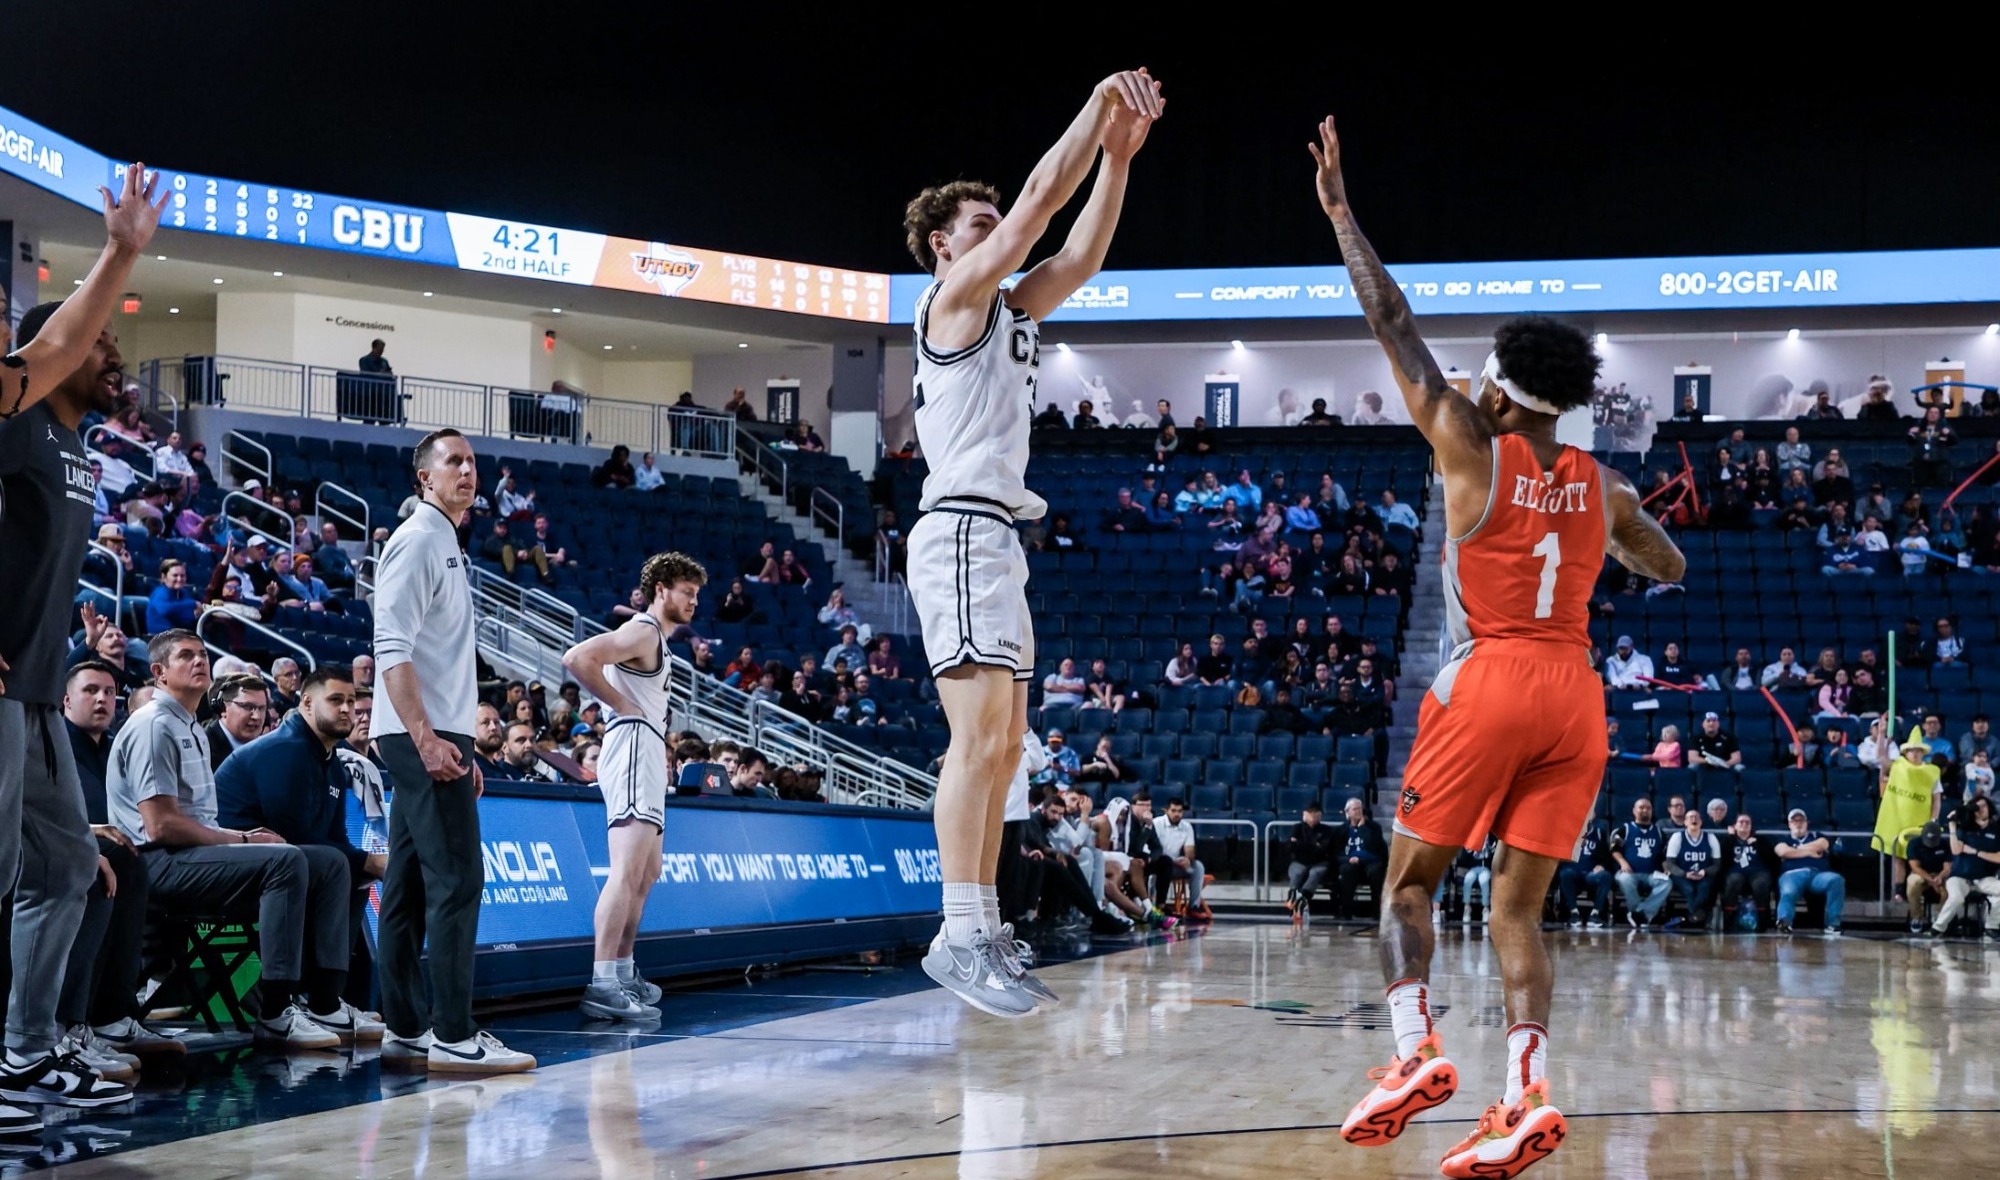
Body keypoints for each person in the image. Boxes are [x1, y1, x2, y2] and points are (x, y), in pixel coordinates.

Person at [1314, 118, 1683, 1174]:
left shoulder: (1467, 440)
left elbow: (1390, 318)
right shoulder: (1603, 486)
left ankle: (1411, 1051)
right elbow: (1668, 566)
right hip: (1577, 696)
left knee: (1405, 886)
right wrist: (1607, 538)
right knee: (1519, 909)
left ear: (1494, 386)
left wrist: (1342, 213)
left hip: (1490, 678)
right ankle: (1522, 1093)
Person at [897, 67, 1164, 1019]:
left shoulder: (1009, 310)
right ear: (943, 244)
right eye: (980, 223)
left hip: (999, 537)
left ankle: (983, 927)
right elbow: (1038, 213)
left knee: (1007, 746)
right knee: (976, 742)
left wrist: (1119, 160)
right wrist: (1095, 112)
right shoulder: (953, 302)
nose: (997, 229)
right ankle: (958, 931)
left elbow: (1080, 252)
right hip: (963, 530)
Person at [106, 631, 357, 1055]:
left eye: (204, 653)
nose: (199, 660)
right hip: (155, 863)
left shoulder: (191, 727)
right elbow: (161, 826)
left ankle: (325, 1001)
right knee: (285, 861)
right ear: (159, 673)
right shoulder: (154, 725)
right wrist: (240, 838)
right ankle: (276, 1011)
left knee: (330, 862)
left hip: (194, 856)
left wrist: (235, 842)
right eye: (186, 656)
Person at [371, 429, 535, 1073]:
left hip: (436, 732)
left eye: (472, 462)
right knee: (459, 880)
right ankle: (453, 1033)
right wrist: (427, 739)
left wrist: (457, 742)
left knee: (407, 885)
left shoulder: (445, 542)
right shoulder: (417, 542)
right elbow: (392, 649)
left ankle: (407, 1029)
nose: (468, 470)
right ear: (425, 478)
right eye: (454, 462)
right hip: (421, 730)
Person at [560, 551, 706, 1022]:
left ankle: (621, 970)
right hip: (630, 748)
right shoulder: (643, 630)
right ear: (661, 588)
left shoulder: (656, 639)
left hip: (645, 751)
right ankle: (602, 981)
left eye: (697, 594)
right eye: (687, 592)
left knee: (646, 872)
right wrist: (624, 706)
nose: (694, 602)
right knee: (626, 870)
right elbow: (578, 658)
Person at [213, 666, 387, 1021]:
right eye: (336, 700)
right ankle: (303, 1002)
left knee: (354, 873)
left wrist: (370, 864)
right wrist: (370, 861)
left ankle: (326, 999)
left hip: (278, 864)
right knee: (334, 863)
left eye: (352, 702)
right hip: (228, 864)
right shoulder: (285, 750)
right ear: (307, 703)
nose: (347, 710)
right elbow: (293, 834)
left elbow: (333, 838)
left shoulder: (331, 762)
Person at [1931, 798, 2000, 938]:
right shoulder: (1965, 829)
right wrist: (1952, 826)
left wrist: (1975, 852)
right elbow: (1956, 850)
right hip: (1960, 875)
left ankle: (1992, 926)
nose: (1981, 809)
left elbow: (1998, 857)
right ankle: (1938, 928)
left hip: (1984, 877)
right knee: (1956, 897)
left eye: (1984, 806)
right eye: (1977, 807)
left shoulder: (1996, 831)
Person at [1772, 809, 1844, 935]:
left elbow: (1822, 844)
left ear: (1806, 823)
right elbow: (1782, 852)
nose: (1798, 824)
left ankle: (1833, 924)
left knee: (1836, 880)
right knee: (1789, 891)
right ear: (1789, 824)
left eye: (1801, 820)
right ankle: (1784, 922)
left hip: (1817, 874)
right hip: (1792, 875)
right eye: (1794, 821)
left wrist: (1795, 850)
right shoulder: (1783, 837)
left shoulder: (1817, 836)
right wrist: (1810, 852)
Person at [1663, 810, 1721, 928]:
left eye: (1696, 817)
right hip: (1682, 874)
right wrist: (1684, 874)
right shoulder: (1677, 837)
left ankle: (1689, 918)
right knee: (1689, 889)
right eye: (1690, 817)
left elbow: (1717, 865)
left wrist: (1705, 871)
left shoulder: (1710, 838)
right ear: (1685, 822)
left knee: (1703, 888)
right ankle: (1697, 917)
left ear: (1701, 822)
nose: (1693, 819)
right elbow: (1670, 864)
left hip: (1703, 874)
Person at [1718, 813, 1775, 931]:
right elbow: (1722, 859)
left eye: (1747, 822)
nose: (1744, 824)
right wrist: (1732, 837)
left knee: (1761, 884)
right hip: (1736, 871)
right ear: (1735, 826)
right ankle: (1728, 919)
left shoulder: (1761, 840)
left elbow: (1772, 858)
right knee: (1734, 880)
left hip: (1758, 872)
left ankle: (1763, 921)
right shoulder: (1729, 841)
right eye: (1741, 822)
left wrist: (1757, 844)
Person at [1285, 801, 1339, 917]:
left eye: (1316, 812)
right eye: (1310, 812)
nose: (1313, 815)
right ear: (1304, 814)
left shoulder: (1326, 830)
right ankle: (1292, 896)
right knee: (1297, 872)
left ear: (1320, 815)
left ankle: (1303, 897)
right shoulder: (1297, 828)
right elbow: (1290, 847)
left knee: (1315, 873)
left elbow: (1323, 850)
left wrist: (1301, 845)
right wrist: (1313, 846)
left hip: (1319, 862)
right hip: (1299, 861)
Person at [1554, 821, 1613, 928]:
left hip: (1591, 874)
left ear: (1593, 815)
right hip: (1572, 873)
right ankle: (1574, 913)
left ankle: (1595, 915)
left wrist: (1602, 865)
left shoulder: (1599, 832)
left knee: (1605, 876)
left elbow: (1606, 856)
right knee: (1565, 873)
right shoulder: (1567, 832)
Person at [1903, 821, 1953, 935]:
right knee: (1912, 882)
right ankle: (1916, 917)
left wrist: (1940, 877)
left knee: (1950, 889)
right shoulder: (1914, 843)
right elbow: (1915, 867)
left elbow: (1947, 867)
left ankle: (1939, 916)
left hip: (1940, 874)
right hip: (1921, 873)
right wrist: (1930, 880)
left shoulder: (1945, 844)